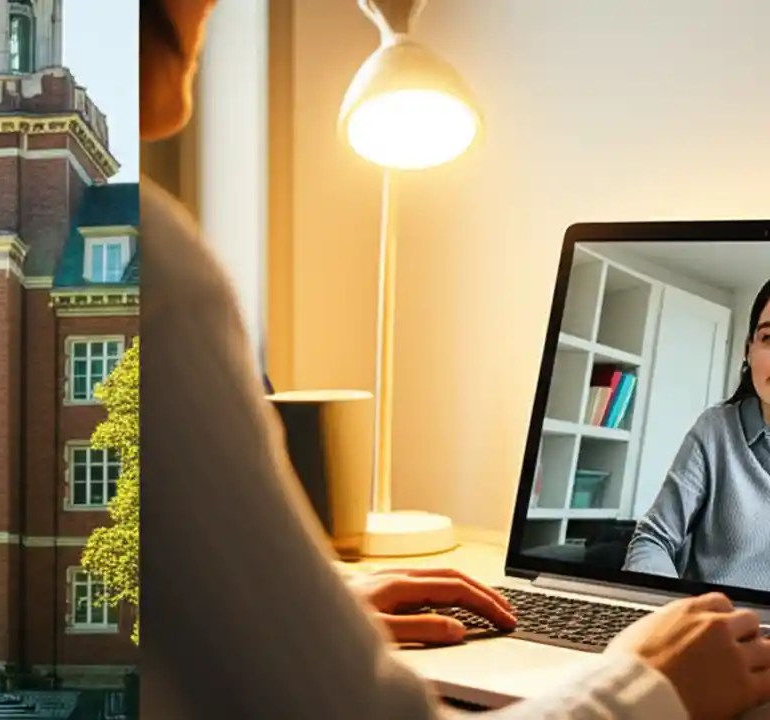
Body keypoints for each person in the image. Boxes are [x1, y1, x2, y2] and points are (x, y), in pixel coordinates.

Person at [140, 1, 770, 718]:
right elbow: (654, 540)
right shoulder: (146, 267)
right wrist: (653, 678)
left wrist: (306, 612)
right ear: (748, 350)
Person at [625, 278, 770, 590]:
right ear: (749, 350)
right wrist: (675, 619)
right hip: (714, 628)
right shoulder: (716, 430)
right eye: (769, 338)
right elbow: (653, 540)